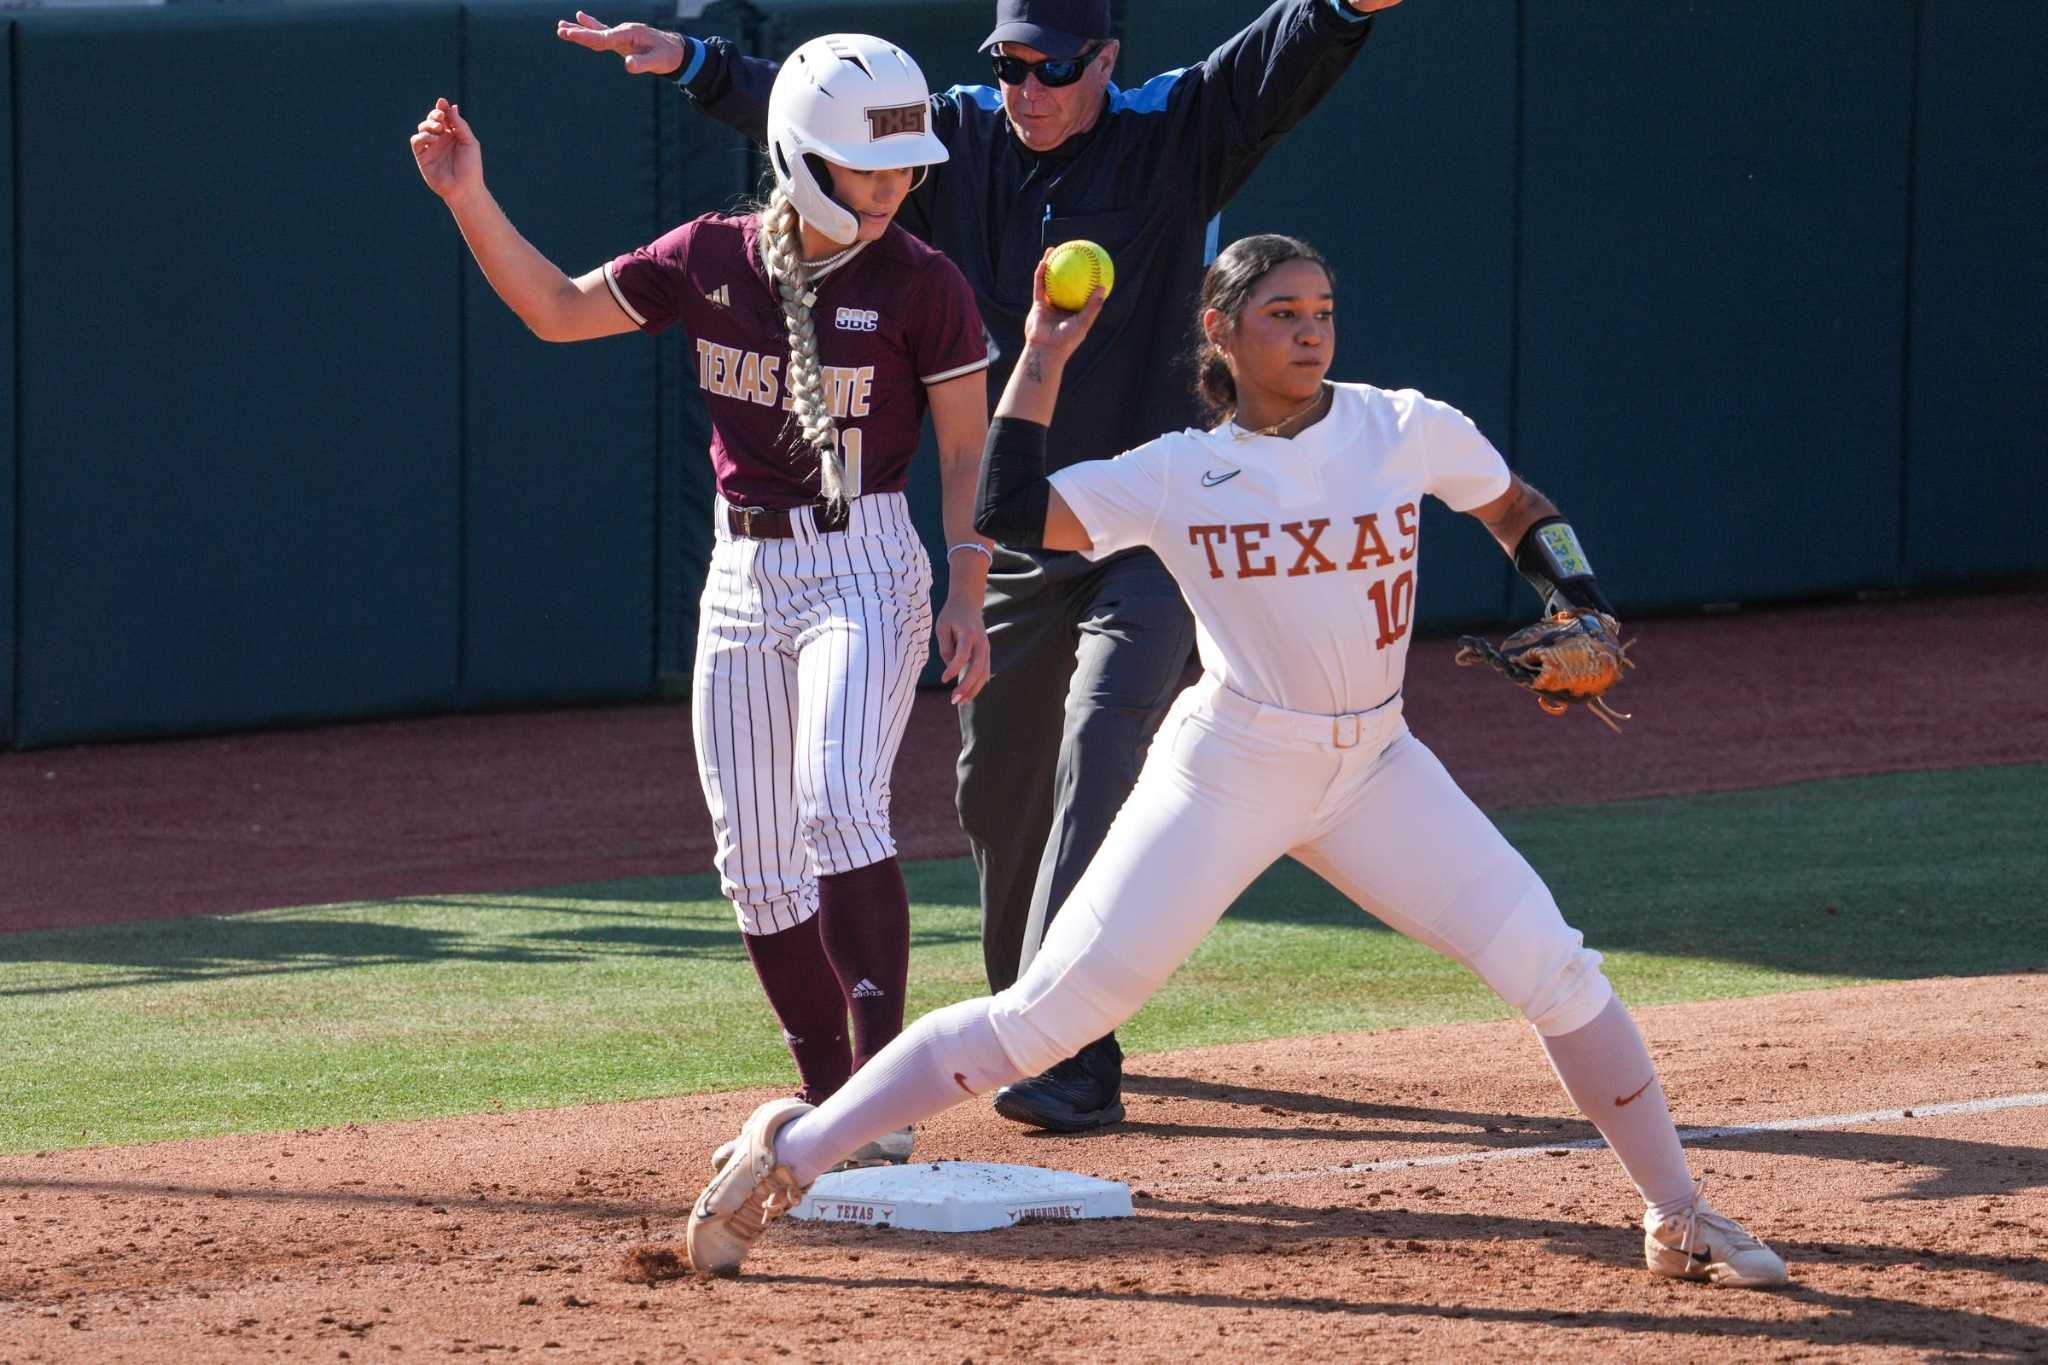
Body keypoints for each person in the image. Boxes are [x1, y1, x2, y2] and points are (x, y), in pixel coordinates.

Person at [681, 235, 1791, 1291]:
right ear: (1219, 330)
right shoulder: (1183, 470)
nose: (1311, 333)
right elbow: (1013, 509)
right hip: (1230, 765)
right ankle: (793, 1152)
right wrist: (1044, 351)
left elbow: (1514, 507)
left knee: (1556, 967)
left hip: (1376, 765)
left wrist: (1577, 597)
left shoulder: (1401, 426)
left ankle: (1676, 1211)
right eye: (1282, 314)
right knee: (1043, 1019)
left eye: (1323, 313)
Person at [558, 0, 1405, 1134]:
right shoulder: (954, 138)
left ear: (1105, 60)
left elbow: (1281, 58)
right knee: (998, 788)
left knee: (1099, 744)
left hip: (1150, 524)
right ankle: (1029, 1012)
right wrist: (694, 61)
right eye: (1009, 64)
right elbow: (822, 120)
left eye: (1052, 67)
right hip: (1020, 529)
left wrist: (1343, 9)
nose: (1026, 88)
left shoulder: (1174, 130)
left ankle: (1074, 1048)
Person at [410, 34, 996, 1166]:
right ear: (799, 157)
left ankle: (881, 1105)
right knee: (757, 863)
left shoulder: (922, 280)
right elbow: (555, 310)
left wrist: (967, 586)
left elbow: (968, 450)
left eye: (904, 168)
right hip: (742, 573)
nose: (891, 188)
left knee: (840, 801)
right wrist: (467, 196)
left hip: (864, 559)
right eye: (867, 166)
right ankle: (827, 1106)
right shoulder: (712, 254)